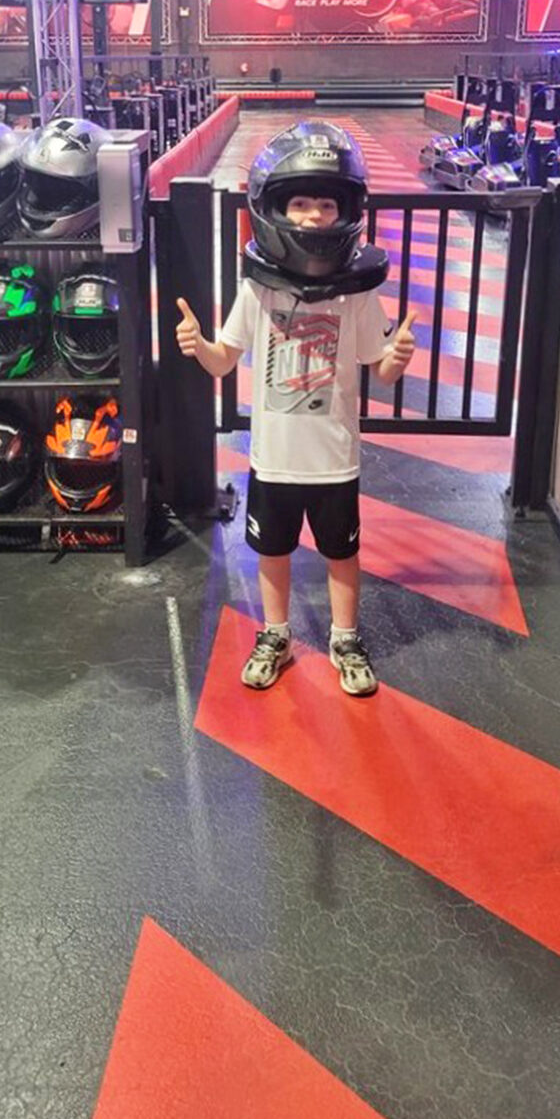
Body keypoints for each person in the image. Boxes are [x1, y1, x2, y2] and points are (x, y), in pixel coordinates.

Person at [176, 121, 416, 697]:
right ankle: (276, 633)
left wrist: (398, 358)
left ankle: (345, 637)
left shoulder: (357, 291)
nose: (312, 216)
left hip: (334, 460)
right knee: (272, 552)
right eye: (301, 203)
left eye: (325, 204)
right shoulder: (261, 288)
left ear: (347, 212)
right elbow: (223, 361)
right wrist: (199, 346)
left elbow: (378, 371)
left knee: (342, 554)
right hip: (274, 460)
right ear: (275, 209)